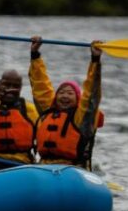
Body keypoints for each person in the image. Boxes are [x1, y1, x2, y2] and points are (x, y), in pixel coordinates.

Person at [29, 36, 105, 170]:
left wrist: (95, 59)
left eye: (70, 93)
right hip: (45, 166)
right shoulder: (48, 112)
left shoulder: (82, 118)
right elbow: (40, 87)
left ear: (77, 99)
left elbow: (91, 94)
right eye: (61, 92)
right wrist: (35, 54)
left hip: (72, 168)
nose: (65, 96)